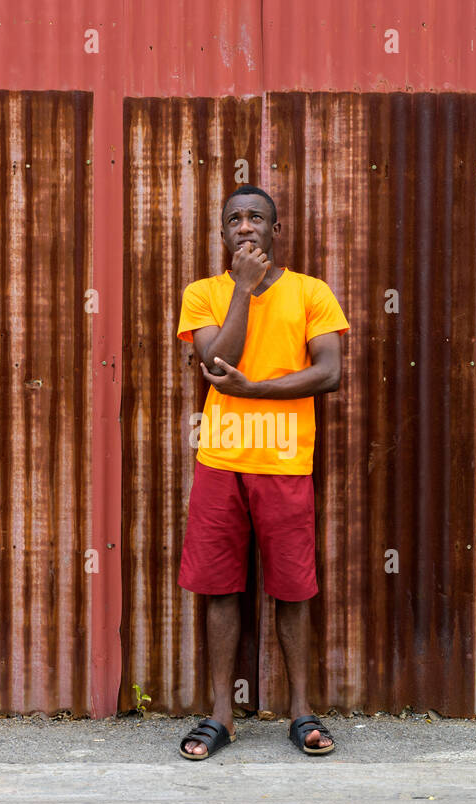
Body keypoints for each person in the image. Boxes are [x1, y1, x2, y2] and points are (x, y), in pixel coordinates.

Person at [174, 184, 349, 760]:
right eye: (234, 219)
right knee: (220, 587)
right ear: (224, 235)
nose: (245, 226)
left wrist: (258, 391)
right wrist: (243, 291)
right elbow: (216, 363)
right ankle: (221, 715)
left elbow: (328, 373)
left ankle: (301, 711)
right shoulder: (203, 293)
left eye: (257, 218)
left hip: (285, 463)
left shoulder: (311, 292)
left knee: (292, 588)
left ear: (276, 232)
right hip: (221, 460)